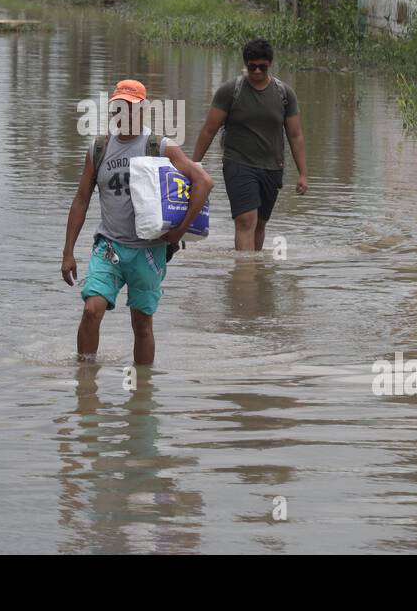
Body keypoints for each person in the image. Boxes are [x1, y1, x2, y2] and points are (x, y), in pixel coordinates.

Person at [62, 80, 213, 366]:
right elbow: (81, 200)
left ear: (143, 110)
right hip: (109, 246)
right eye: (117, 107)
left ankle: (142, 395)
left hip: (149, 250)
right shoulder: (99, 148)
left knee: (141, 325)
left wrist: (179, 232)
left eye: (130, 108)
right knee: (92, 310)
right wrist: (68, 252)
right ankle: (84, 382)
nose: (123, 114)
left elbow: (204, 182)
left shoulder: (160, 147)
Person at [192, 38, 307, 251]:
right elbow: (209, 129)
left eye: (261, 67)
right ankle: (244, 277)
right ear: (246, 64)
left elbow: (295, 135)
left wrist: (302, 174)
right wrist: (194, 165)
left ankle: (255, 274)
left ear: (270, 64)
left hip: (272, 167)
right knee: (246, 220)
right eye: (251, 67)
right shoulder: (230, 91)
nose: (256, 72)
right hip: (238, 163)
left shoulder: (284, 94)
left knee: (260, 224)